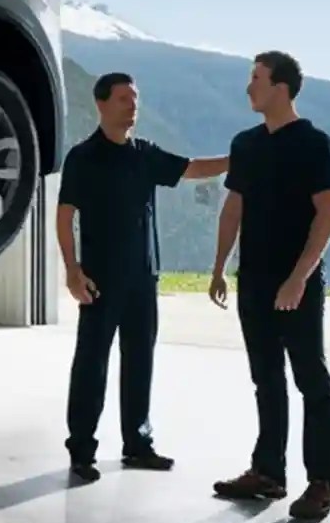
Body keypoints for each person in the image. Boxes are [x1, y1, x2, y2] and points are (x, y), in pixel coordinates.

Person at [56, 71, 229, 482]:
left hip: (143, 280)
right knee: (91, 365)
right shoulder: (83, 158)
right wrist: (72, 271)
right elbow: (65, 218)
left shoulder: (145, 154)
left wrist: (238, 158)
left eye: (135, 99)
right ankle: (81, 449)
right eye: (123, 99)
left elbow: (190, 169)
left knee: (140, 362)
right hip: (99, 281)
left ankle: (137, 444)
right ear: (101, 104)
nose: (132, 106)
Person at [207, 50, 330, 520]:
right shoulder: (245, 144)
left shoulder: (314, 143)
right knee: (266, 378)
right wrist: (220, 265)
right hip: (254, 282)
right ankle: (268, 473)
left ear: (280, 88)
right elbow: (232, 209)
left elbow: (328, 213)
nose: (249, 88)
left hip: (296, 284)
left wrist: (299, 278)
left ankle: (322, 481)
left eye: (257, 79)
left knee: (311, 378)